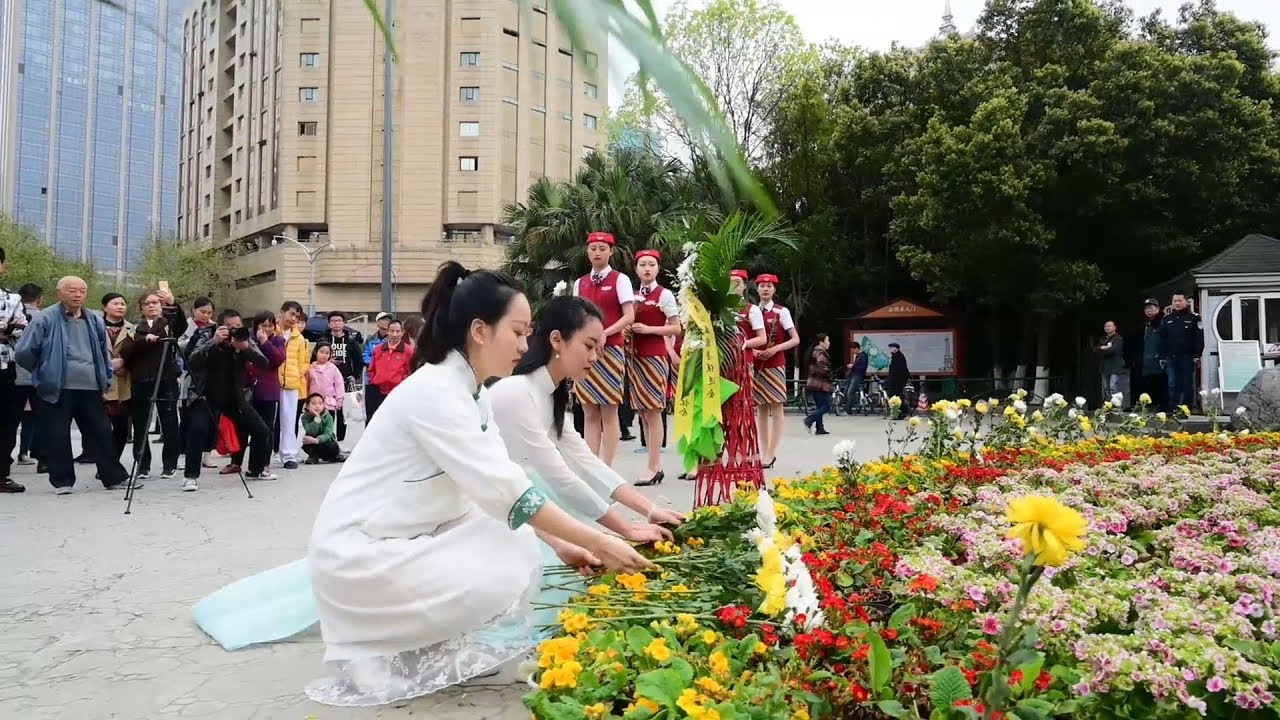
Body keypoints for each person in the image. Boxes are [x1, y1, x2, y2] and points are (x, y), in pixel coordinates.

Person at [189, 263, 653, 704]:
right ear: (479, 331)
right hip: (358, 555)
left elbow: (503, 485)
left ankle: (419, 639)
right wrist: (602, 540)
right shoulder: (438, 393)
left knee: (513, 541)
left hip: (404, 537)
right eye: (516, 331)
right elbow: (512, 490)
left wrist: (570, 543)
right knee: (509, 557)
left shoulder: (473, 393)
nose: (523, 344)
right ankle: (380, 649)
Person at [489, 295, 685, 630]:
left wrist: (648, 511)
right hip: (499, 514)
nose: (595, 358)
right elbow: (561, 477)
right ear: (556, 340)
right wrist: (624, 530)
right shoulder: (516, 393)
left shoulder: (549, 394)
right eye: (589, 346)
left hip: (521, 507)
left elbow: (587, 463)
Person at [15, 276, 131, 494]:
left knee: (102, 432)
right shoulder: (45, 318)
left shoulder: (94, 319)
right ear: (59, 293)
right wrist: (44, 371)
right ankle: (63, 481)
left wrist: (104, 378)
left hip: (91, 385)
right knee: (57, 434)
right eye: (72, 290)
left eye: (82, 291)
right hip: (57, 386)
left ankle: (114, 477)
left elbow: (101, 352)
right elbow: (23, 351)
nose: (78, 295)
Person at [692, 269, 766, 506]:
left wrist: (741, 342)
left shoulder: (751, 310)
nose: (734, 286)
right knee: (717, 416)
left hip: (742, 368)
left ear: (745, 286)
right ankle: (714, 462)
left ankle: (740, 463)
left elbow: (762, 338)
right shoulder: (716, 310)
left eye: (738, 283)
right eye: (730, 283)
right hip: (717, 370)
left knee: (739, 418)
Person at [184, 309, 276, 490]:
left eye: (238, 326)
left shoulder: (244, 338)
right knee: (197, 429)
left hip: (233, 397)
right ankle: (190, 477)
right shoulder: (207, 334)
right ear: (220, 325)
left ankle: (256, 470)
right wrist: (214, 341)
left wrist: (246, 348)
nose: (234, 329)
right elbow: (191, 360)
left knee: (262, 430)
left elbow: (264, 363)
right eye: (229, 326)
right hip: (204, 396)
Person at [572, 231, 635, 465]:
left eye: (602, 249)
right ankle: (593, 465)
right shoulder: (580, 283)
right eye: (593, 249)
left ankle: (607, 466)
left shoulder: (620, 279)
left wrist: (606, 333)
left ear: (611, 251)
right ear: (587, 252)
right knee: (589, 411)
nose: (597, 253)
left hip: (611, 351)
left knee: (609, 410)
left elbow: (629, 315)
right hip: (586, 352)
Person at [626, 250, 681, 486]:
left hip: (655, 357)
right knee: (643, 412)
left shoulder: (664, 294)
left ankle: (653, 465)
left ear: (658, 268)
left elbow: (676, 328)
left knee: (654, 410)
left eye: (651, 264)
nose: (647, 268)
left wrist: (649, 330)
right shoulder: (632, 295)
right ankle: (653, 465)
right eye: (642, 264)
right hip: (635, 358)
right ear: (636, 269)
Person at [120, 288, 187, 480]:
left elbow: (181, 324)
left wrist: (173, 303)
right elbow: (125, 351)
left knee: (169, 421)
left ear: (161, 305)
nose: (151, 306)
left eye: (155, 302)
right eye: (146, 303)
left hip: (166, 378)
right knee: (140, 423)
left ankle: (170, 464)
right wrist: (144, 340)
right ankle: (142, 465)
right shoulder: (134, 329)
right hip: (141, 379)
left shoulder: (168, 324)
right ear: (141, 308)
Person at [225, 311, 285, 476]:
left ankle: (261, 465)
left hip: (268, 390)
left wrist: (265, 342)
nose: (267, 329)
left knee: (266, 428)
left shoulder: (278, 340)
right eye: (263, 325)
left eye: (270, 325)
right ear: (256, 326)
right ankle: (236, 462)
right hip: (246, 389)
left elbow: (278, 360)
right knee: (242, 428)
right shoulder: (246, 337)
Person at [752, 273, 799, 468]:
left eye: (769, 286)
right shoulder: (752, 311)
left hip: (776, 363)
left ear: (774, 290)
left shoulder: (781, 312)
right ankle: (764, 452)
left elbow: (795, 339)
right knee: (761, 408)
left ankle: (771, 453)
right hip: (756, 364)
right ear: (757, 289)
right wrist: (753, 351)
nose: (765, 289)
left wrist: (775, 349)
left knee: (776, 407)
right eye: (762, 286)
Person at [0, 248, 30, 494]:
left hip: (5, 367)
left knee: (6, 423)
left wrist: (8, 330)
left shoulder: (12, 299)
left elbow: (22, 329)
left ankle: (2, 475)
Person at [178, 297, 217, 469]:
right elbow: (180, 347)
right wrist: (198, 339)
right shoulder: (185, 326)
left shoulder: (215, 328)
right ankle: (183, 453)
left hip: (210, 378)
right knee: (188, 418)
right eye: (202, 312)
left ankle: (207, 453)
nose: (206, 316)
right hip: (189, 376)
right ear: (194, 310)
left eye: (209, 313)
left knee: (212, 418)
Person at [317, 312, 363, 442]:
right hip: (326, 381)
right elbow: (313, 359)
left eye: (339, 320)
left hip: (345, 381)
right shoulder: (323, 341)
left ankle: (340, 440)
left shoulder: (350, 341)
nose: (336, 323)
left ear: (344, 323)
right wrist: (326, 362)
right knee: (327, 411)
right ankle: (328, 437)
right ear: (329, 324)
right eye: (333, 321)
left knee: (343, 412)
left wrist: (355, 376)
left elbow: (358, 361)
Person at [100, 294, 135, 467]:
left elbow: (139, 352)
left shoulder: (133, 329)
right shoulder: (95, 326)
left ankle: (113, 463)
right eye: (115, 303)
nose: (120, 306)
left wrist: (125, 363)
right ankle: (104, 463)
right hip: (100, 382)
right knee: (101, 428)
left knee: (121, 427)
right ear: (105, 307)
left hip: (123, 383)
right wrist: (108, 365)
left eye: (123, 303)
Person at [277, 301, 310, 470]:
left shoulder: (299, 338)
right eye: (291, 314)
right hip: (272, 381)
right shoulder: (272, 331)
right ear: (281, 312)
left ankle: (289, 455)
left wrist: (298, 372)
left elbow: (304, 362)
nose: (293, 318)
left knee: (289, 421)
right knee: (270, 421)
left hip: (291, 383)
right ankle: (266, 453)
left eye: (296, 316)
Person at [13, 283, 42, 473]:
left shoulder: (9, 316)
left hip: (13, 374)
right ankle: (37, 456)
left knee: (10, 418)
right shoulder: (45, 318)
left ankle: (6, 457)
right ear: (39, 299)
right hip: (38, 375)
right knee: (39, 417)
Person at [1159, 292, 1202, 412]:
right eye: (1175, 301)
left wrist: (1197, 355)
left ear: (1186, 302)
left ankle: (1187, 407)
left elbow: (1198, 337)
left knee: (1187, 382)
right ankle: (1174, 406)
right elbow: (1162, 338)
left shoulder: (1193, 318)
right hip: (1171, 357)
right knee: (1172, 382)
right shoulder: (1167, 319)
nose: (1177, 303)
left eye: (1179, 300)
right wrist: (1162, 355)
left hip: (1187, 356)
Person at [365, 318, 413, 420]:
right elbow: (372, 368)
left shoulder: (408, 350)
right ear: (387, 332)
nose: (395, 334)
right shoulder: (378, 349)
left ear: (402, 332)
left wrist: (401, 382)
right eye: (392, 331)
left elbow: (411, 371)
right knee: (374, 420)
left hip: (398, 392)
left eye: (398, 331)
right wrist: (373, 380)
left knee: (395, 421)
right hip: (377, 391)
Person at [306, 343, 346, 440]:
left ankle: (328, 446)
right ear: (315, 352)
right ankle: (313, 448)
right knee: (313, 428)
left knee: (327, 428)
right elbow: (306, 385)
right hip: (313, 404)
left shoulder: (333, 368)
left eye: (327, 353)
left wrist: (339, 399)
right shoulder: (310, 368)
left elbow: (339, 384)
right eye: (321, 352)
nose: (323, 355)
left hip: (329, 404)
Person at [300, 392, 345, 464]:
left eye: (320, 403)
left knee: (333, 447)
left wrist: (316, 440)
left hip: (326, 442)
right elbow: (311, 431)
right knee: (306, 442)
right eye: (313, 404)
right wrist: (317, 418)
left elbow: (328, 434)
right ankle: (313, 456)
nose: (317, 406)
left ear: (324, 405)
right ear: (307, 406)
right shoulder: (305, 417)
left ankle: (333, 457)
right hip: (312, 442)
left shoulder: (328, 417)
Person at [1138, 298, 1166, 410]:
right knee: (1149, 384)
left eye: (1150, 308)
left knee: (1161, 384)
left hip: (1159, 360)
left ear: (1157, 308)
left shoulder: (1163, 322)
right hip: (1148, 360)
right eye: (1146, 309)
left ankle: (1162, 407)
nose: (1148, 311)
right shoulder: (1147, 324)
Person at [804, 333, 834, 435]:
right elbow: (821, 365)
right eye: (827, 341)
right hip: (820, 384)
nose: (829, 343)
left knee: (820, 406)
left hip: (815, 383)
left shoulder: (815, 351)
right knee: (827, 405)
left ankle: (819, 428)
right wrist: (828, 371)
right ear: (821, 342)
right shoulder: (820, 353)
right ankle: (810, 419)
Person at [1096, 320, 1126, 407]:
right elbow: (1095, 350)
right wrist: (1104, 347)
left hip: (1115, 366)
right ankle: (1107, 406)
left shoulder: (1118, 338)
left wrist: (1102, 348)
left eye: (1109, 326)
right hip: (1104, 366)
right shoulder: (1103, 339)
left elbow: (1112, 350)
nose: (1107, 328)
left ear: (1114, 327)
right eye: (1106, 326)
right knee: (1106, 388)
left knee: (1113, 387)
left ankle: (1116, 406)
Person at [841, 341, 869, 414]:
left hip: (858, 376)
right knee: (846, 391)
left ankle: (848, 410)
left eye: (853, 350)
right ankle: (846, 407)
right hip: (852, 375)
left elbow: (863, 368)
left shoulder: (863, 356)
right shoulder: (858, 356)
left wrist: (853, 366)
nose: (853, 352)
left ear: (857, 348)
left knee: (850, 392)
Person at [885, 342, 910, 418]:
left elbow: (901, 370)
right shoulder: (895, 356)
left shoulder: (899, 356)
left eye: (892, 347)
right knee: (896, 396)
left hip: (897, 381)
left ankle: (900, 413)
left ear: (896, 348)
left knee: (897, 397)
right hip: (895, 381)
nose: (890, 349)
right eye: (890, 348)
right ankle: (899, 412)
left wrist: (900, 381)